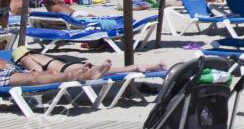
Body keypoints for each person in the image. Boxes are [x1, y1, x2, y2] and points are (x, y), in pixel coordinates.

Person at [9, 45, 164, 77]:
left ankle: (136, 67)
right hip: (68, 65)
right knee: (110, 71)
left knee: (105, 72)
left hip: (66, 70)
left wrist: (24, 72)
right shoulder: (39, 55)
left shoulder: (27, 59)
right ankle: (144, 66)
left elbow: (39, 73)